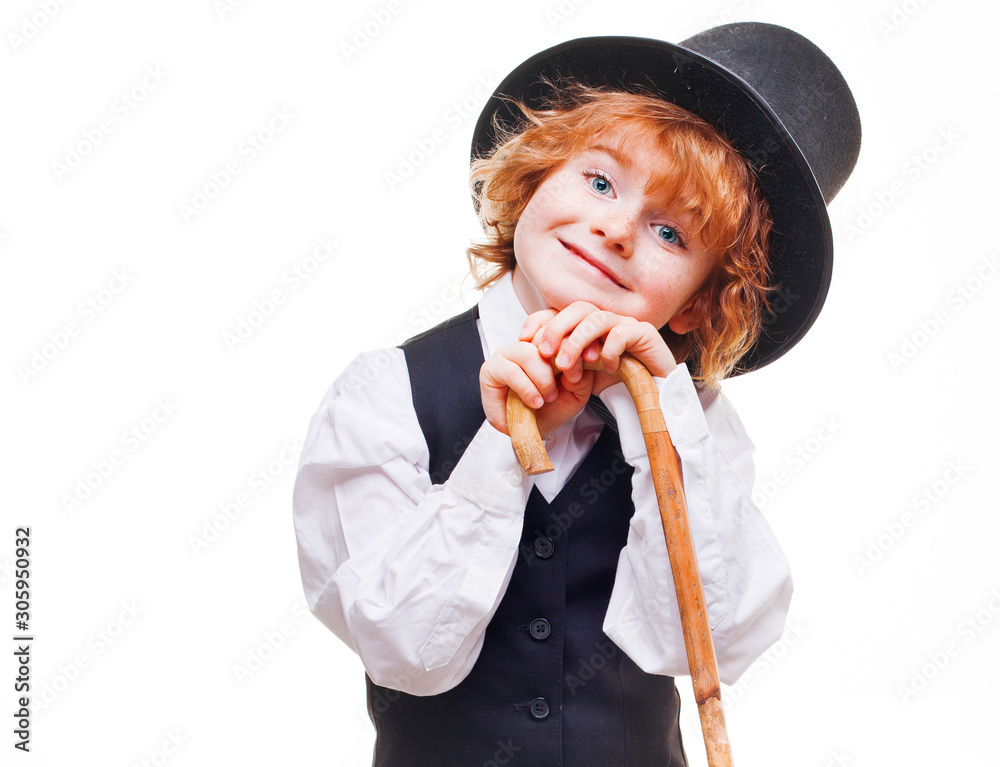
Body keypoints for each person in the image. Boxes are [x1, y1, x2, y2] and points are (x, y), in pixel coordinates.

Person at [293, 22, 861, 766]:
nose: (617, 228)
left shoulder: (702, 430)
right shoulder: (387, 393)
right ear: (533, 177)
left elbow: (703, 647)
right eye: (599, 181)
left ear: (694, 305)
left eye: (671, 233)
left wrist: (666, 425)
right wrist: (501, 450)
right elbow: (404, 651)